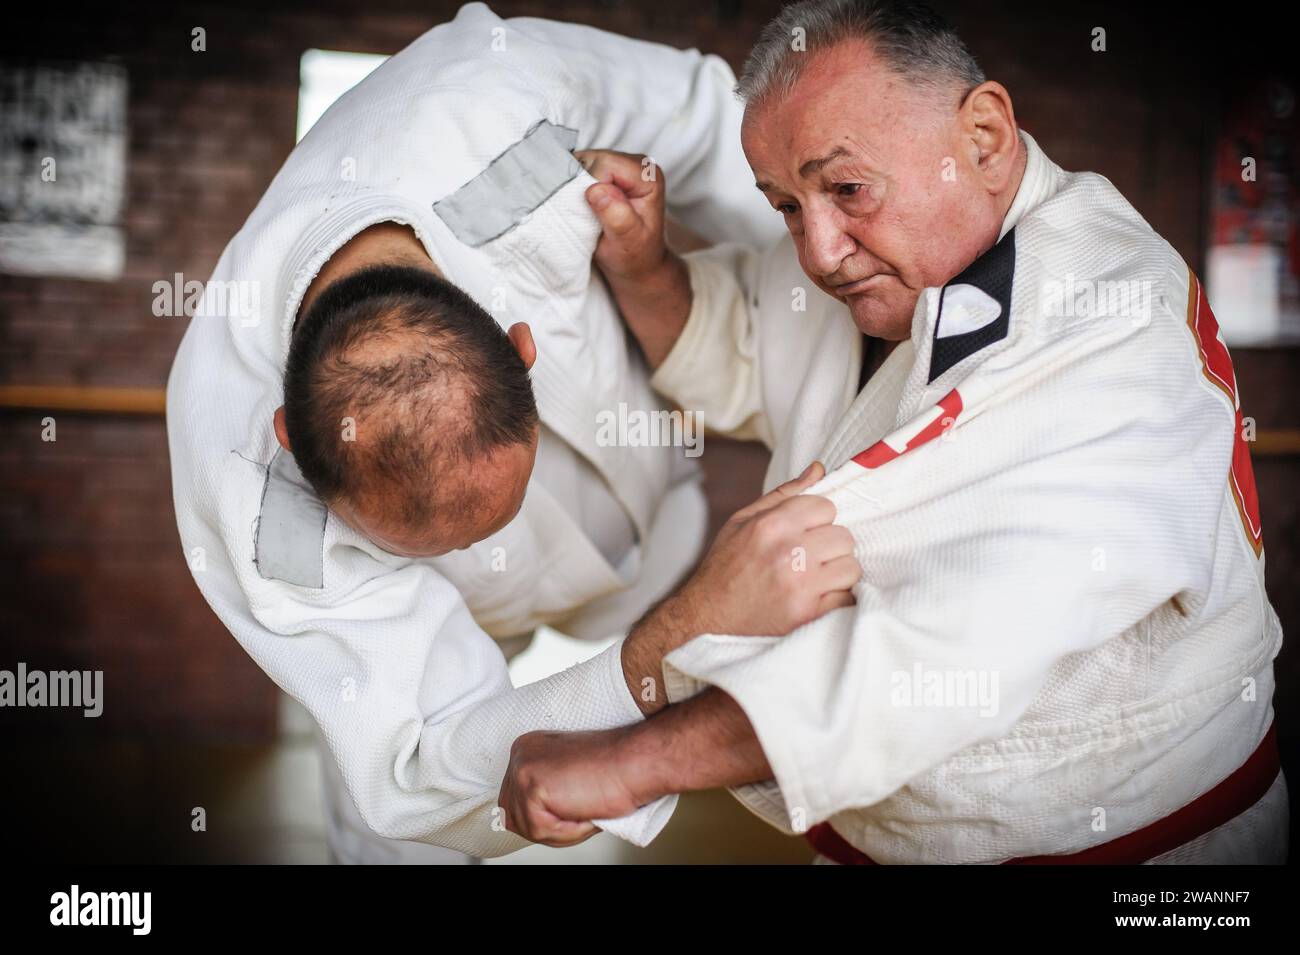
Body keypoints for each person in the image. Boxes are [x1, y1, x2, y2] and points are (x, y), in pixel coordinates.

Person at [498, 0, 1288, 864]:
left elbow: (940, 656)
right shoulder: (875, 265)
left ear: (983, 137)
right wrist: (642, 264)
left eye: (846, 190)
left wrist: (631, 760)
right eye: (787, 208)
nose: (819, 251)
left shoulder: (1110, 322)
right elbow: (737, 346)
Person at [166, 1, 857, 863]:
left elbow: (701, 111)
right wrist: (664, 654)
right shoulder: (250, 490)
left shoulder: (490, 87)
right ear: (292, 444)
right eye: (437, 541)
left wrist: (834, 294)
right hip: (458, 636)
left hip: (654, 516)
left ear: (518, 345)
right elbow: (418, 753)